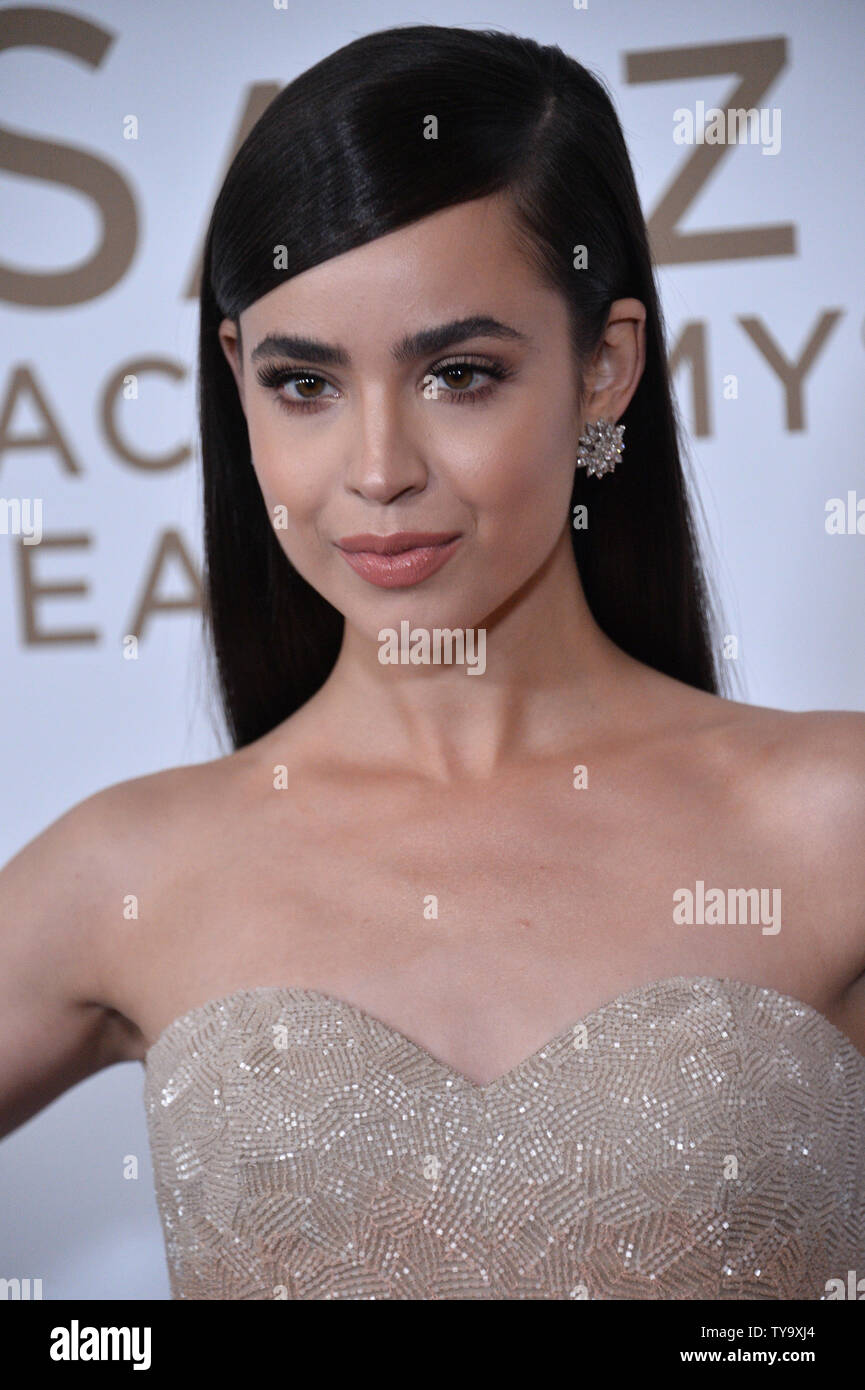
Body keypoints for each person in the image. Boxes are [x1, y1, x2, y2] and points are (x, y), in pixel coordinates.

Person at [1, 23, 863, 1301]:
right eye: (304, 384)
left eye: (459, 373)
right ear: (238, 381)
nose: (377, 469)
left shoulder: (831, 818)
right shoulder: (124, 871)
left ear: (602, 367)